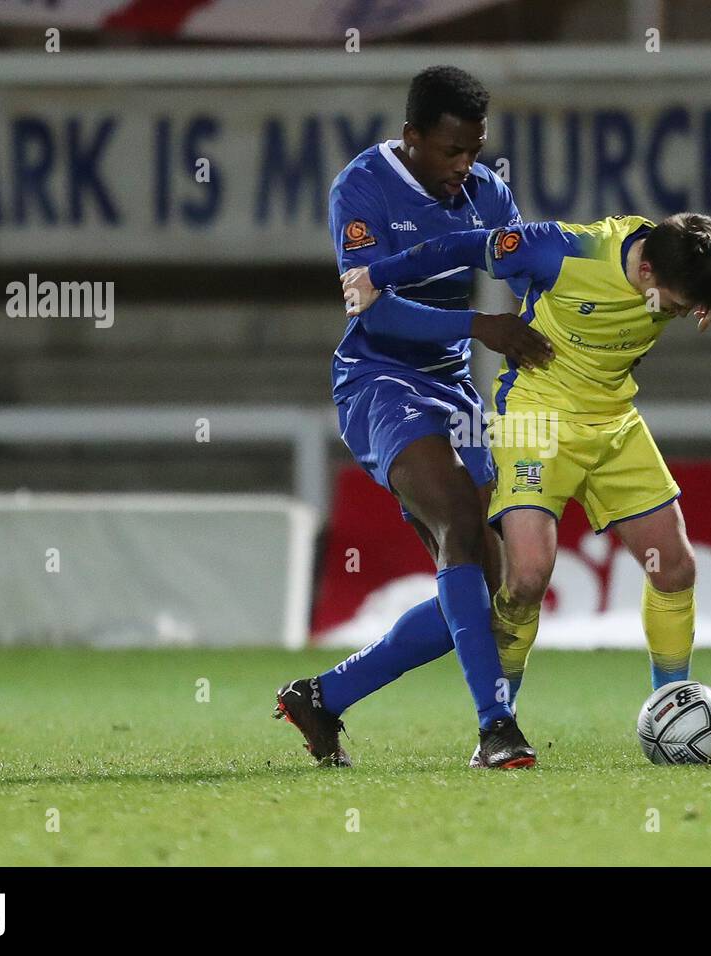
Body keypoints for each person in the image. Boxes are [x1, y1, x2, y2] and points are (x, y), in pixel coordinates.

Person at [342, 212, 711, 758]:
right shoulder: (563, 251)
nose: (677, 314)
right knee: (528, 576)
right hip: (536, 418)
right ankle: (498, 729)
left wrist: (704, 296)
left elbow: (705, 262)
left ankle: (675, 707)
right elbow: (465, 245)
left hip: (613, 423)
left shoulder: (679, 263)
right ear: (647, 267)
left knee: (676, 568)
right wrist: (377, 275)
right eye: (676, 303)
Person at [273, 66, 552, 770]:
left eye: (475, 150)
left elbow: (530, 271)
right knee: (459, 518)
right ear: (413, 138)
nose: (466, 166)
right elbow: (373, 304)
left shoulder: (486, 192)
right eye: (452, 151)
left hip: (452, 391)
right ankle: (497, 727)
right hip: (379, 380)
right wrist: (478, 325)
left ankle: (323, 696)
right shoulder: (361, 187)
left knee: (489, 594)